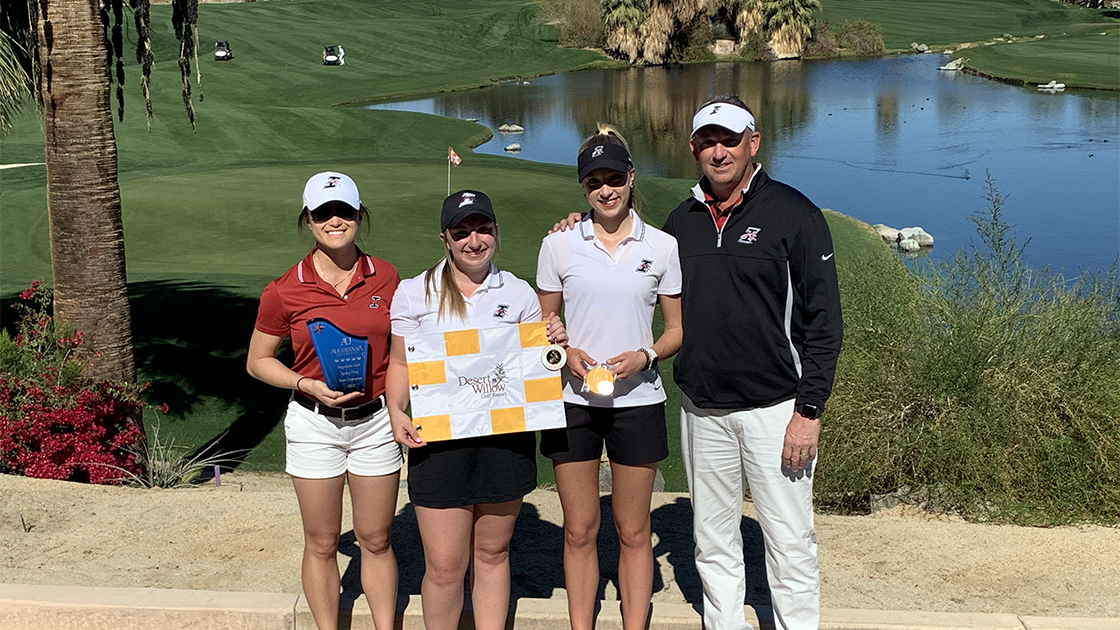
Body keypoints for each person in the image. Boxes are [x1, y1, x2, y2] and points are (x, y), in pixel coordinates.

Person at [664, 96, 843, 630]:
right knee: (713, 541)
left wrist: (809, 411)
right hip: (702, 409)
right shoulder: (682, 220)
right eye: (708, 141)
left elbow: (824, 324)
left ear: (753, 143)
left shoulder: (795, 214)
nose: (719, 152)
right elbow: (629, 265)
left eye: (730, 140)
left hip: (777, 410)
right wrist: (577, 227)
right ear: (694, 147)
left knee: (789, 540)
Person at [386, 190, 566, 630]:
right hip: (439, 443)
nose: (474, 240)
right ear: (444, 239)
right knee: (446, 565)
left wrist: (552, 344)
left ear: (496, 234)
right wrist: (395, 409)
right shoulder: (414, 292)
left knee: (492, 554)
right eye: (461, 231)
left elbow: (537, 374)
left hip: (504, 440)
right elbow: (400, 363)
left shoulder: (520, 294)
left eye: (482, 229)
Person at [535, 124, 682, 630]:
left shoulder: (661, 246)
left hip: (638, 401)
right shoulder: (558, 245)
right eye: (595, 180)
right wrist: (566, 348)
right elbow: (542, 326)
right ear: (582, 186)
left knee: (633, 530)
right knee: (578, 529)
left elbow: (675, 331)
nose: (606, 189)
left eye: (614, 177)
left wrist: (645, 355)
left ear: (631, 177)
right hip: (573, 402)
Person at [247, 171, 402, 630]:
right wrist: (304, 384)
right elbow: (258, 361)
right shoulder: (285, 289)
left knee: (375, 539)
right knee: (321, 541)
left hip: (375, 423)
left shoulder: (387, 277)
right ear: (308, 220)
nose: (335, 220)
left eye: (344, 211)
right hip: (315, 424)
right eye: (323, 213)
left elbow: (405, 351)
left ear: (359, 215)